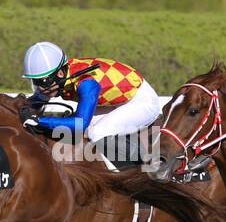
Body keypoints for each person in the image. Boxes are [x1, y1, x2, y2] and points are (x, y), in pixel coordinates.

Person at [20, 41, 162, 145]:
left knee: (96, 133)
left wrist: (40, 120)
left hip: (141, 101)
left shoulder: (87, 83)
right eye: (35, 82)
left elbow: (79, 124)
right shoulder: (60, 77)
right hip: (119, 99)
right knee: (86, 131)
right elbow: (35, 103)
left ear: (61, 74)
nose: (40, 89)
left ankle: (140, 170)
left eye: (43, 83)